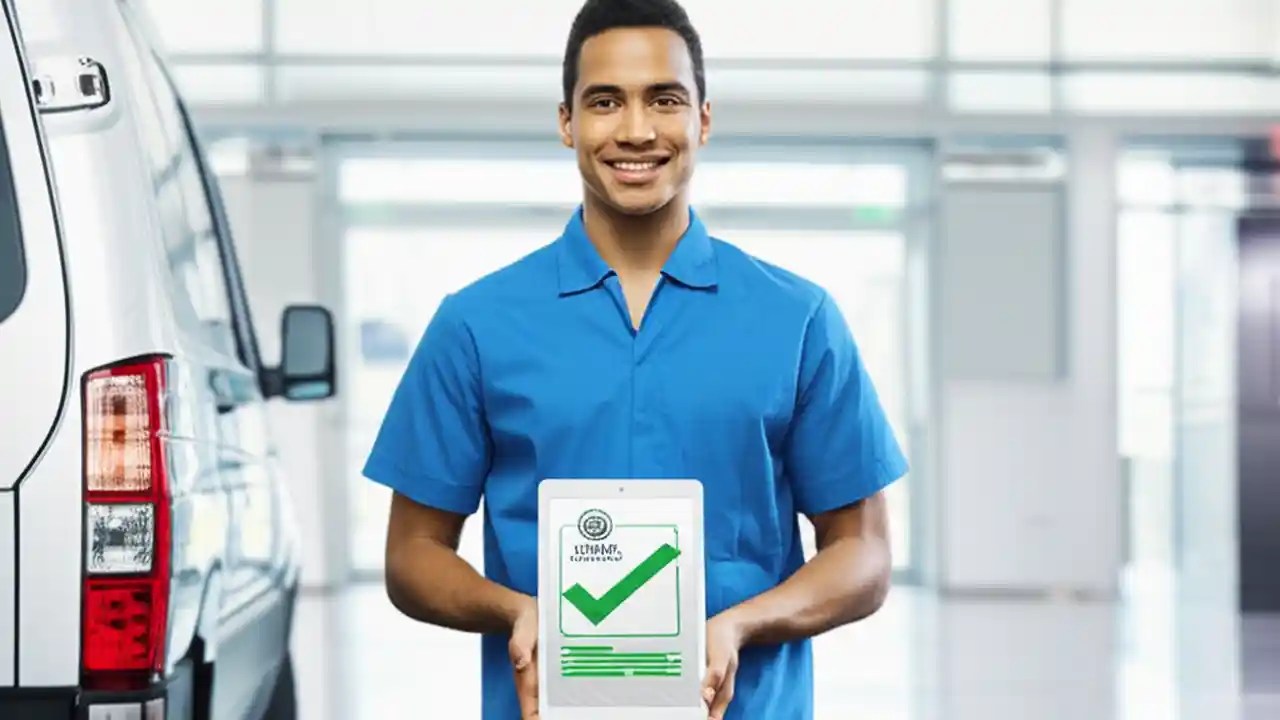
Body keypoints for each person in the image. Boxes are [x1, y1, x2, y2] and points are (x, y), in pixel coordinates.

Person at [362, 0, 909, 717]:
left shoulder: (798, 320)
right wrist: (516, 612)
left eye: (665, 99)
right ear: (567, 123)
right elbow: (412, 555)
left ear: (703, 120)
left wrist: (742, 623)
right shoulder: (476, 324)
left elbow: (862, 553)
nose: (636, 130)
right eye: (605, 101)